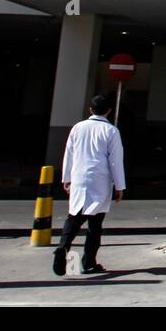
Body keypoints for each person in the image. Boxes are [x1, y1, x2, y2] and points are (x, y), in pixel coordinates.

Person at [54, 94, 125, 276]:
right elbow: (115, 160)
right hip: (99, 178)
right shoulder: (111, 131)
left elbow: (68, 153)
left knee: (74, 216)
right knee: (95, 223)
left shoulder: (78, 128)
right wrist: (119, 186)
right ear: (109, 111)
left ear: (90, 109)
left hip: (79, 176)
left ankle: (63, 246)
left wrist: (66, 178)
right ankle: (89, 261)